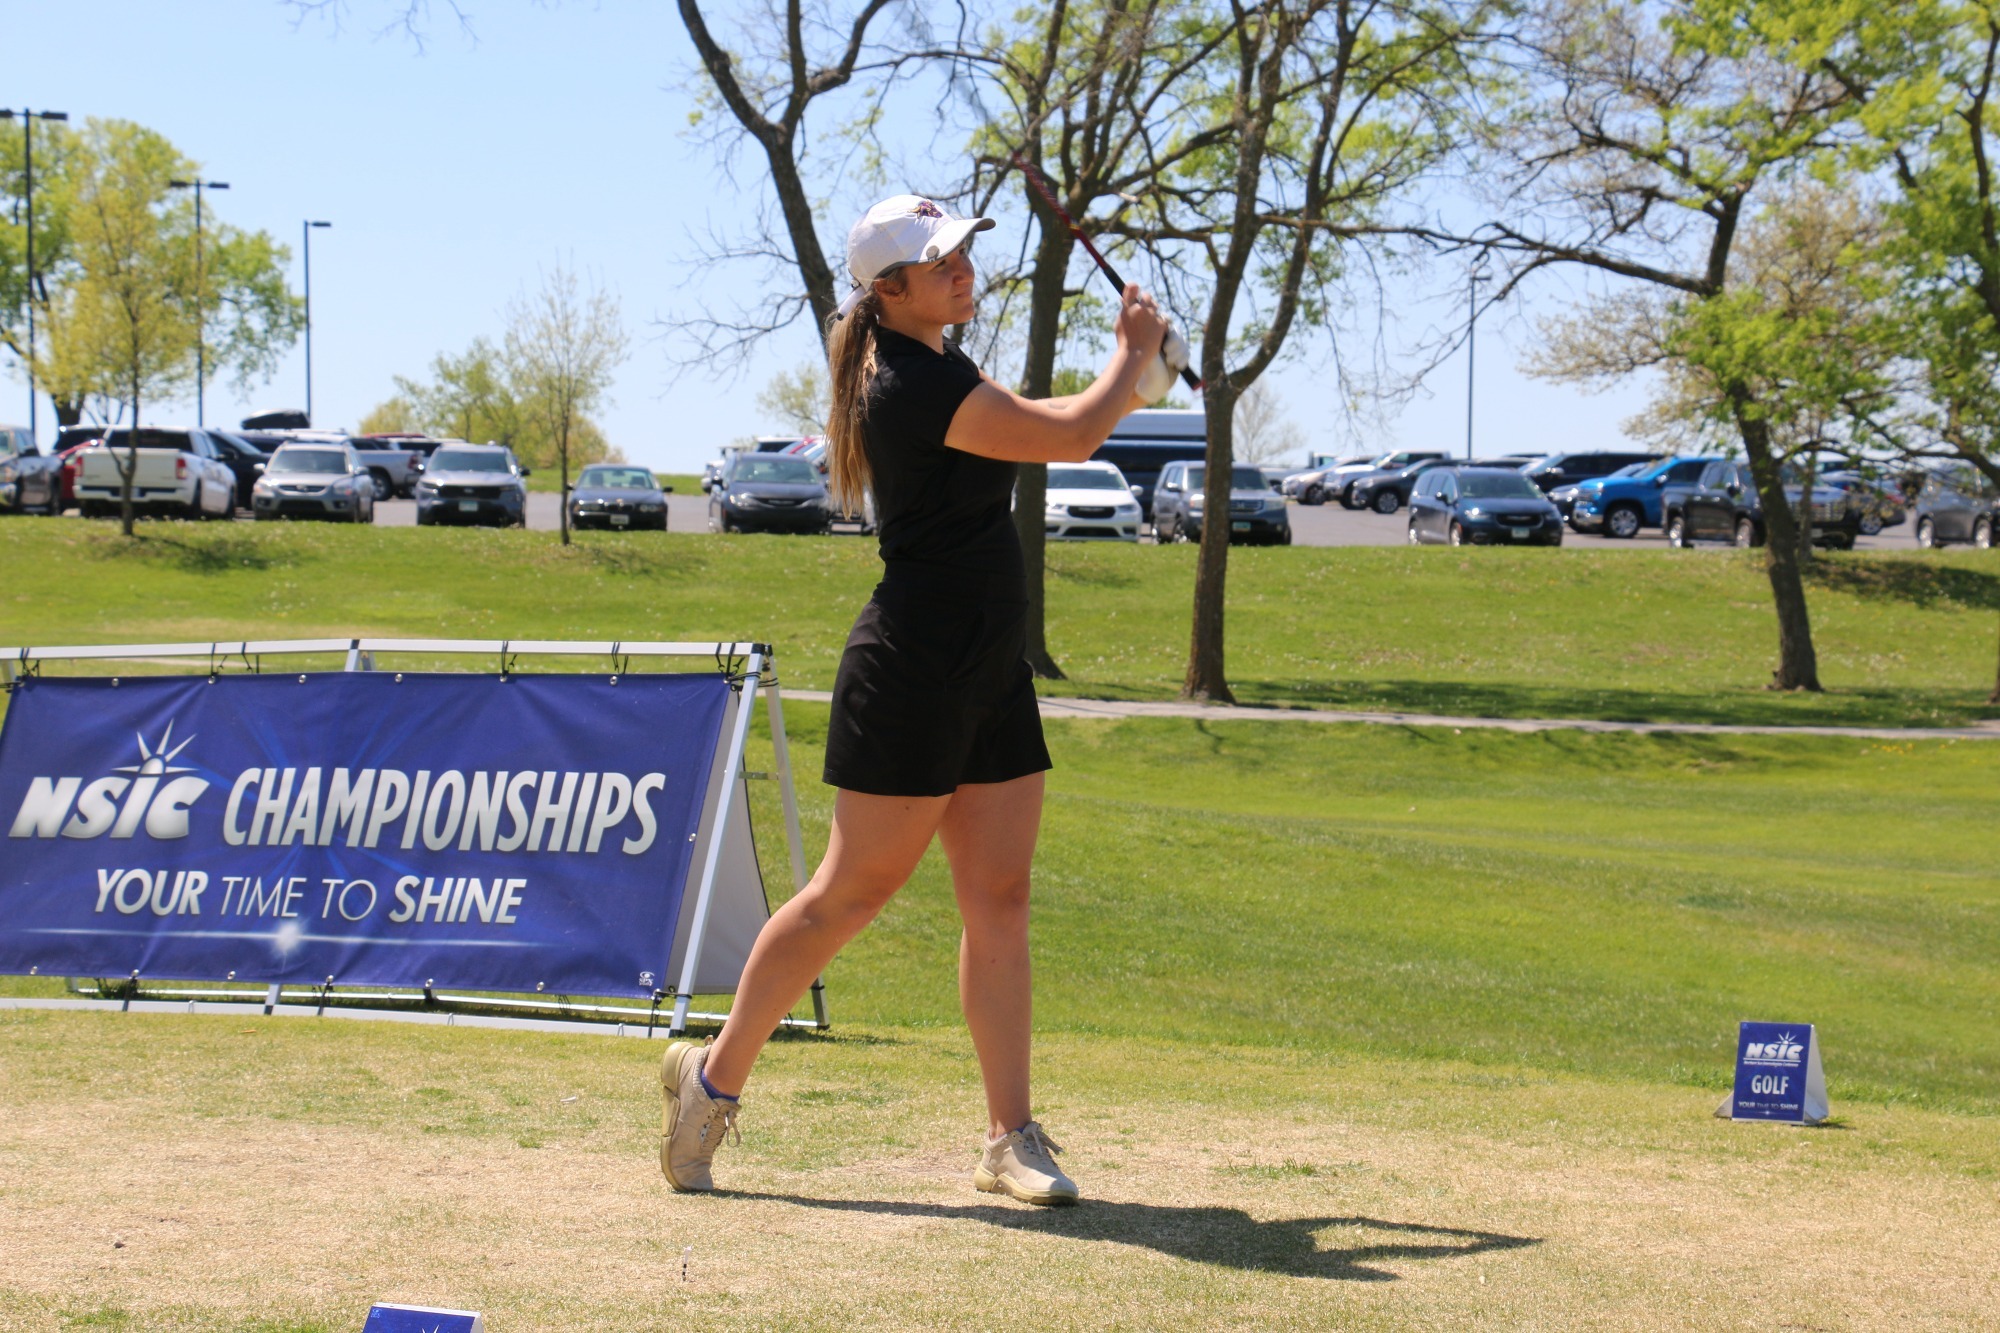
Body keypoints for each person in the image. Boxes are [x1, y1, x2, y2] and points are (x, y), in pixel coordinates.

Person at [659, 193, 1174, 1207]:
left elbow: (1061, 425)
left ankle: (1008, 1137)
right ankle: (708, 1086)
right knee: (847, 899)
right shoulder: (902, 385)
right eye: (939, 261)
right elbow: (1067, 436)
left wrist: (1130, 372)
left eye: (963, 253)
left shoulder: (942, 364)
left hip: (987, 669)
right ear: (886, 290)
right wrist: (1130, 356)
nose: (960, 270)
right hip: (909, 676)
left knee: (1001, 899)